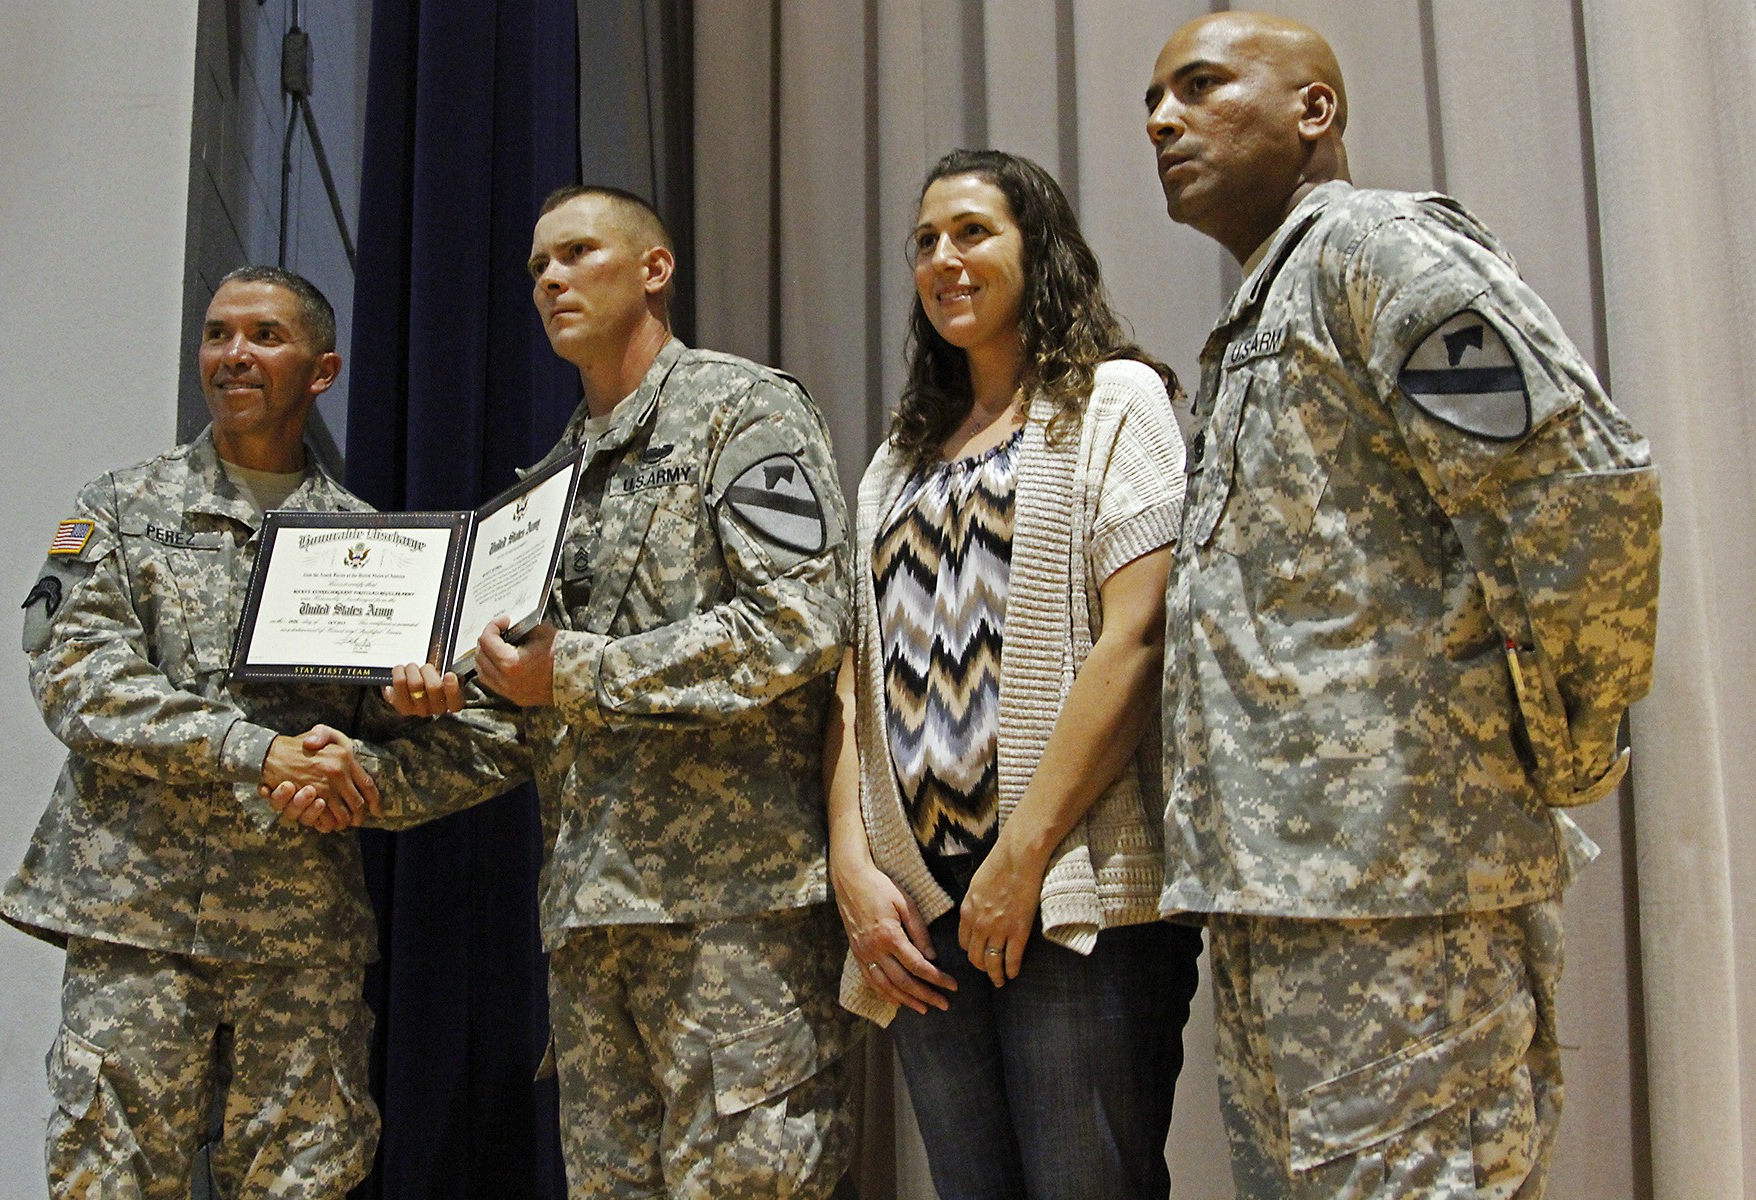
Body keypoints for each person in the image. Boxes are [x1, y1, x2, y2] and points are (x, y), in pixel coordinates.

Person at [1145, 12, 1660, 1198]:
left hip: (1406, 900)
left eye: (1202, 86)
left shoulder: (1373, 252)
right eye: (1152, 104)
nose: (1165, 119)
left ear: (1313, 110)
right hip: (1286, 900)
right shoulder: (1264, 310)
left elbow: (1582, 495)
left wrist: (1566, 740)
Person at [381, 185, 856, 1198]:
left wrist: (576, 671)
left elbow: (803, 623)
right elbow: (529, 721)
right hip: (593, 923)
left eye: (578, 253)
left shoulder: (742, 409)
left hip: (733, 918)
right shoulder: (550, 477)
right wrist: (394, 754)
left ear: (654, 268)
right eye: (538, 266)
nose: (551, 278)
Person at [0, 266, 502, 1198]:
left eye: (265, 336)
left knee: (301, 1185)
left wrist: (384, 750)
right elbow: (77, 679)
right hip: (135, 924)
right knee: (103, 1182)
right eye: (218, 334)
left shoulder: (379, 551)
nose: (234, 355)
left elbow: (456, 743)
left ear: (323, 369)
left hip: (296, 935)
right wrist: (252, 750)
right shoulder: (119, 508)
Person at [824, 148, 1203, 1200]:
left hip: (1075, 892)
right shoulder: (897, 459)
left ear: (1039, 250)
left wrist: (1019, 858)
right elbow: (854, 681)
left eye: (974, 233)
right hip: (923, 911)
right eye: (926, 241)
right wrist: (854, 871)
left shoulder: (1116, 401)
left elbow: (1139, 638)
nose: (945, 258)